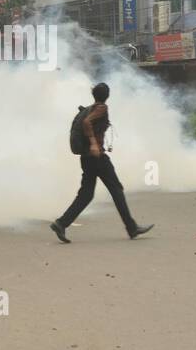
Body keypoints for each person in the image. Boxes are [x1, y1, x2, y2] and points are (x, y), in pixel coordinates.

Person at [51, 82, 153, 244]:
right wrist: (93, 143)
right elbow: (87, 123)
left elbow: (87, 122)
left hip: (86, 158)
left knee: (86, 194)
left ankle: (61, 223)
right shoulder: (101, 108)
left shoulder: (90, 108)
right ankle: (131, 228)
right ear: (107, 95)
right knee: (116, 189)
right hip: (97, 157)